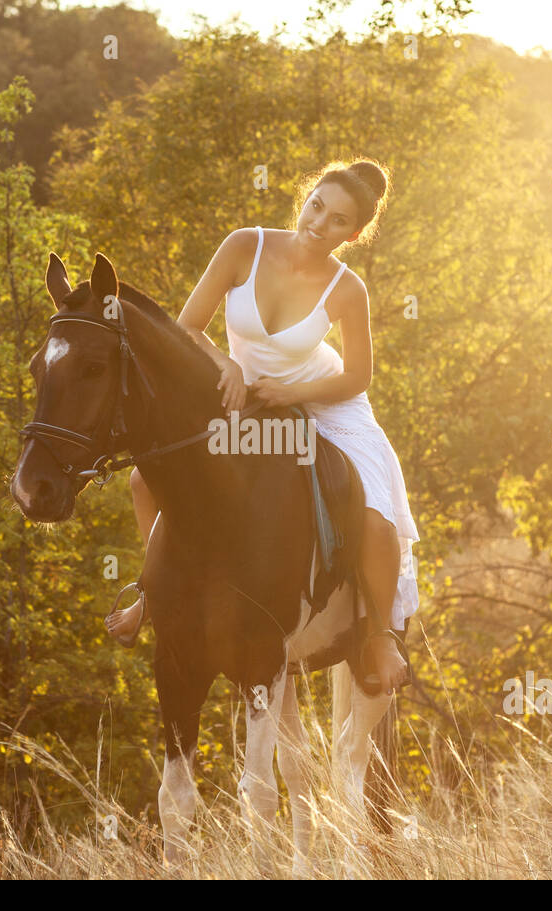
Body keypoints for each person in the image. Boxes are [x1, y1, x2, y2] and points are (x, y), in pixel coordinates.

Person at [105, 158, 420, 695]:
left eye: (339, 220)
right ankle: (156, 593)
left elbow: (357, 376)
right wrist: (226, 365)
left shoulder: (349, 289)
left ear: (356, 233)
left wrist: (295, 393)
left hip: (328, 403)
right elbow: (187, 328)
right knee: (143, 481)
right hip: (245, 393)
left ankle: (381, 633)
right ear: (306, 196)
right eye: (316, 205)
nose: (319, 224)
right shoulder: (243, 246)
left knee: (376, 521)